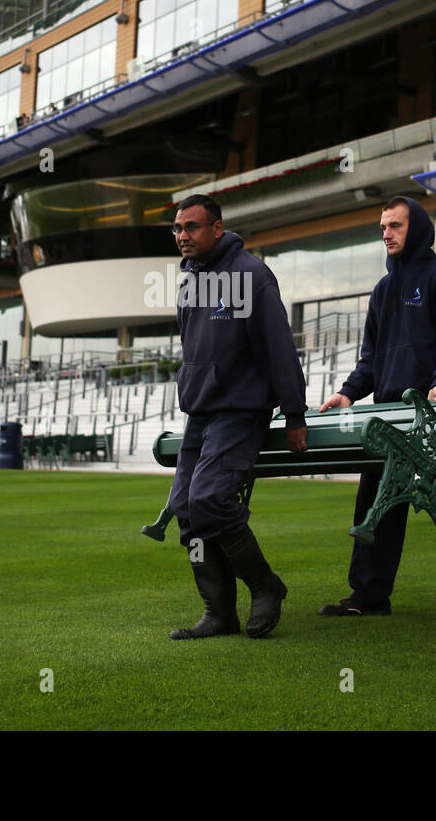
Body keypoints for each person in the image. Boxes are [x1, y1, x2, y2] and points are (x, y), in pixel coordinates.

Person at [318, 196, 436, 615]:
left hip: (435, 410)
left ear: (415, 228)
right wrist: (348, 393)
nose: (386, 234)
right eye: (382, 227)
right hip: (387, 415)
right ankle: (369, 595)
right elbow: (370, 358)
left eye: (395, 226)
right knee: (376, 497)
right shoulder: (382, 291)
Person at [165, 194, 308, 640]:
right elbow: (194, 348)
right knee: (186, 510)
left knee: (210, 499)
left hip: (240, 410)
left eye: (191, 227)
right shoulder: (188, 280)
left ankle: (265, 586)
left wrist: (294, 413)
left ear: (217, 229)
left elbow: (278, 347)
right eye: (177, 229)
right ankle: (218, 612)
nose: (182, 236)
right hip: (201, 411)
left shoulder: (251, 274)